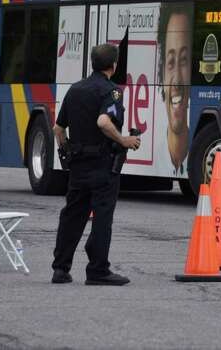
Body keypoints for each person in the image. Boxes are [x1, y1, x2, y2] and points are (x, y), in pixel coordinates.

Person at [52, 43, 141, 285]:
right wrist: (124, 139)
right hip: (103, 165)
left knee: (72, 215)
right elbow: (103, 121)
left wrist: (66, 151)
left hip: (78, 164)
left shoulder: (75, 89)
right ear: (114, 66)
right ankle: (98, 270)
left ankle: (60, 269)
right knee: (102, 217)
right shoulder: (112, 92)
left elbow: (58, 129)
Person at [157, 0, 196, 173]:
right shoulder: (153, 153)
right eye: (171, 62)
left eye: (184, 60)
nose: (178, 81)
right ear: (162, 71)